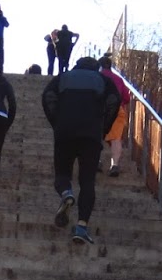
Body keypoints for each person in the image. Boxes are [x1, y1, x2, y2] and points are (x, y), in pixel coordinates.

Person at [41, 54, 120, 245]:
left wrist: (56, 122)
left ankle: (66, 193)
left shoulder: (63, 77)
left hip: (65, 132)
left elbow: (47, 96)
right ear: (96, 68)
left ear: (77, 65)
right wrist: (104, 128)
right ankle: (81, 227)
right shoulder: (103, 80)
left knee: (62, 175)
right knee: (87, 181)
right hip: (91, 135)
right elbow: (114, 101)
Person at [98, 54, 130, 176]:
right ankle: (114, 165)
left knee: (97, 134)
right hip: (117, 109)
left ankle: (97, 161)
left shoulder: (97, 77)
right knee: (116, 138)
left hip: (100, 108)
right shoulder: (118, 79)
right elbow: (126, 97)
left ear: (100, 66)